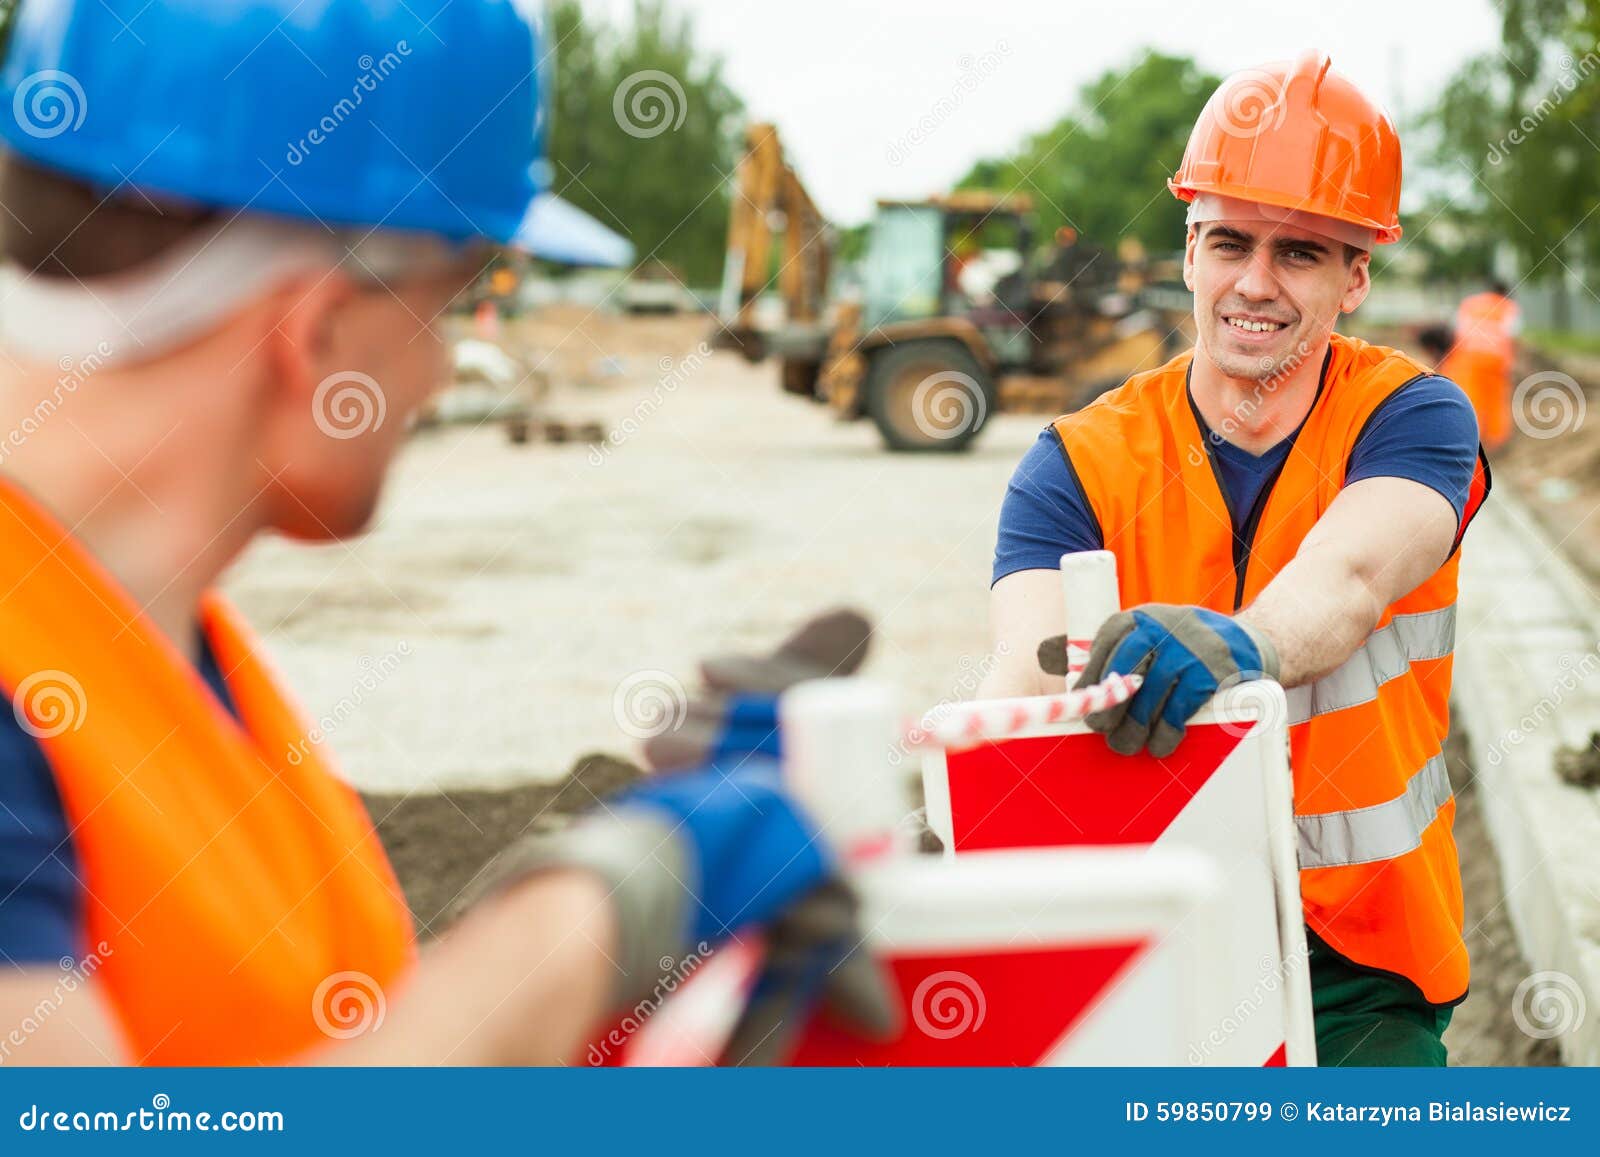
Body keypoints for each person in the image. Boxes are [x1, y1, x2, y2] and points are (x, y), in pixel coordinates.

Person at [0, 0, 884, 1066]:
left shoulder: (149, 653)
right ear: (316, 332)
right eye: (450, 307)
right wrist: (599, 910)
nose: (438, 373)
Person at [980, 52, 1489, 1066]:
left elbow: (1347, 578)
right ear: (1187, 252)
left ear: (1356, 276)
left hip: (1358, 961)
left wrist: (1235, 643)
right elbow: (1020, 682)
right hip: (1150, 943)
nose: (1254, 282)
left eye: (1300, 252)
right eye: (1229, 242)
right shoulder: (1077, 463)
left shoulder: (1412, 418)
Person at [1442, 278, 1521, 452]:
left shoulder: (1470, 303)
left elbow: (1458, 331)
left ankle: (1469, 441)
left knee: (1469, 397)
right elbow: (1511, 335)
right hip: (1495, 359)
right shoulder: (1508, 307)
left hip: (1467, 358)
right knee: (1495, 400)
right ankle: (1495, 444)